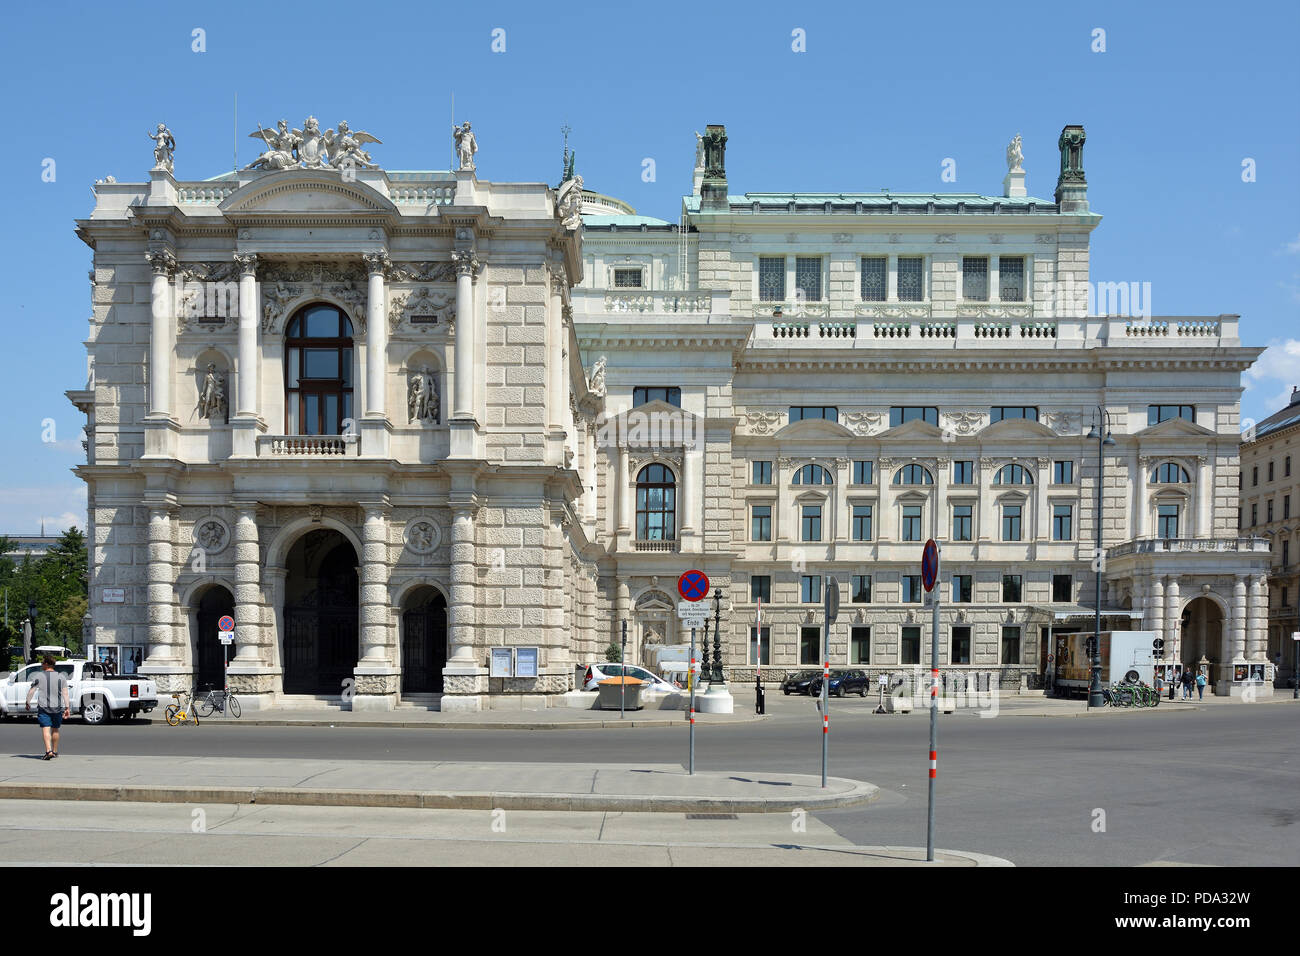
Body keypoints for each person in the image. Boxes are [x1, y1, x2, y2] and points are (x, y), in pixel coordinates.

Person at [25, 656, 71, 760]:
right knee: (55, 729)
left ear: (46, 664)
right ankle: (54, 751)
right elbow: (65, 693)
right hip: (57, 707)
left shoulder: (39, 676)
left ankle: (48, 751)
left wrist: (27, 701)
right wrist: (67, 707)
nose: (41, 664)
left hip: (44, 707)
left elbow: (32, 690)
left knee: (46, 728)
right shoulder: (61, 677)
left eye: (42, 663)